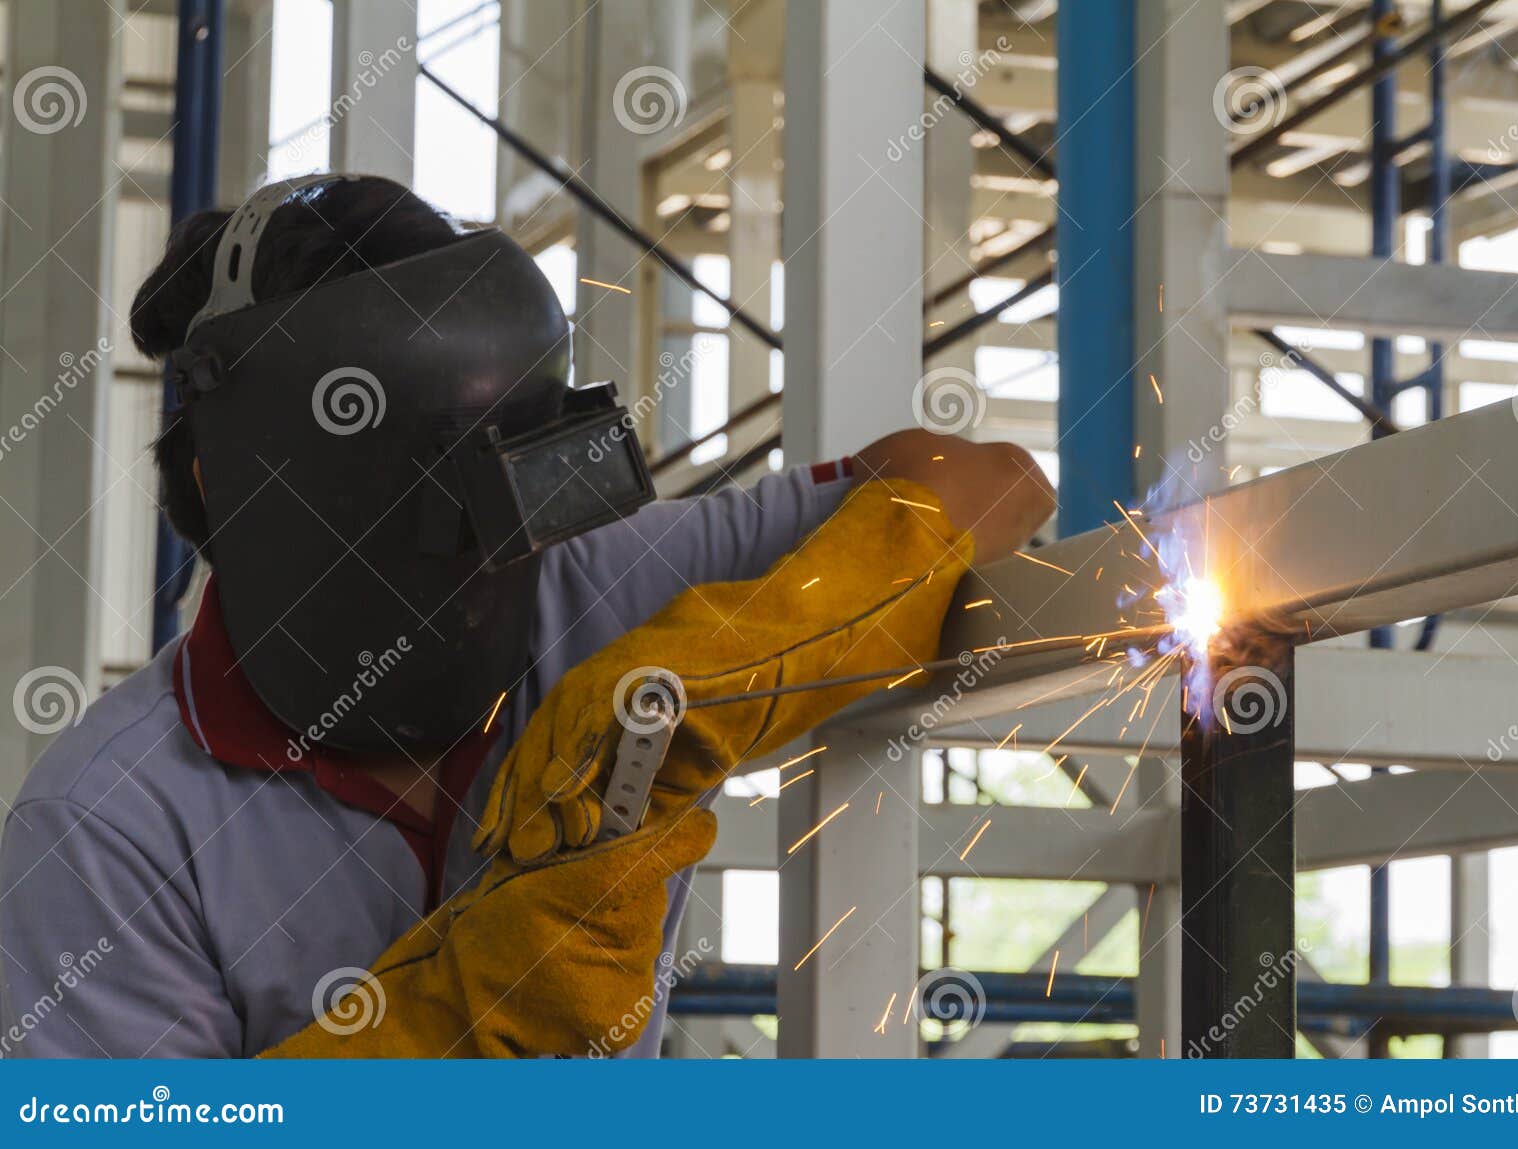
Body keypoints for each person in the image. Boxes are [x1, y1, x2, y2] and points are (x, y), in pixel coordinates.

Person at [0, 175, 1053, 1058]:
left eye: (498, 471)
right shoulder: (106, 834)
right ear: (231, 485)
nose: (485, 538)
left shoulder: (589, 585)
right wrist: (467, 1015)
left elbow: (992, 483)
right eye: (426, 485)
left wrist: (728, 672)